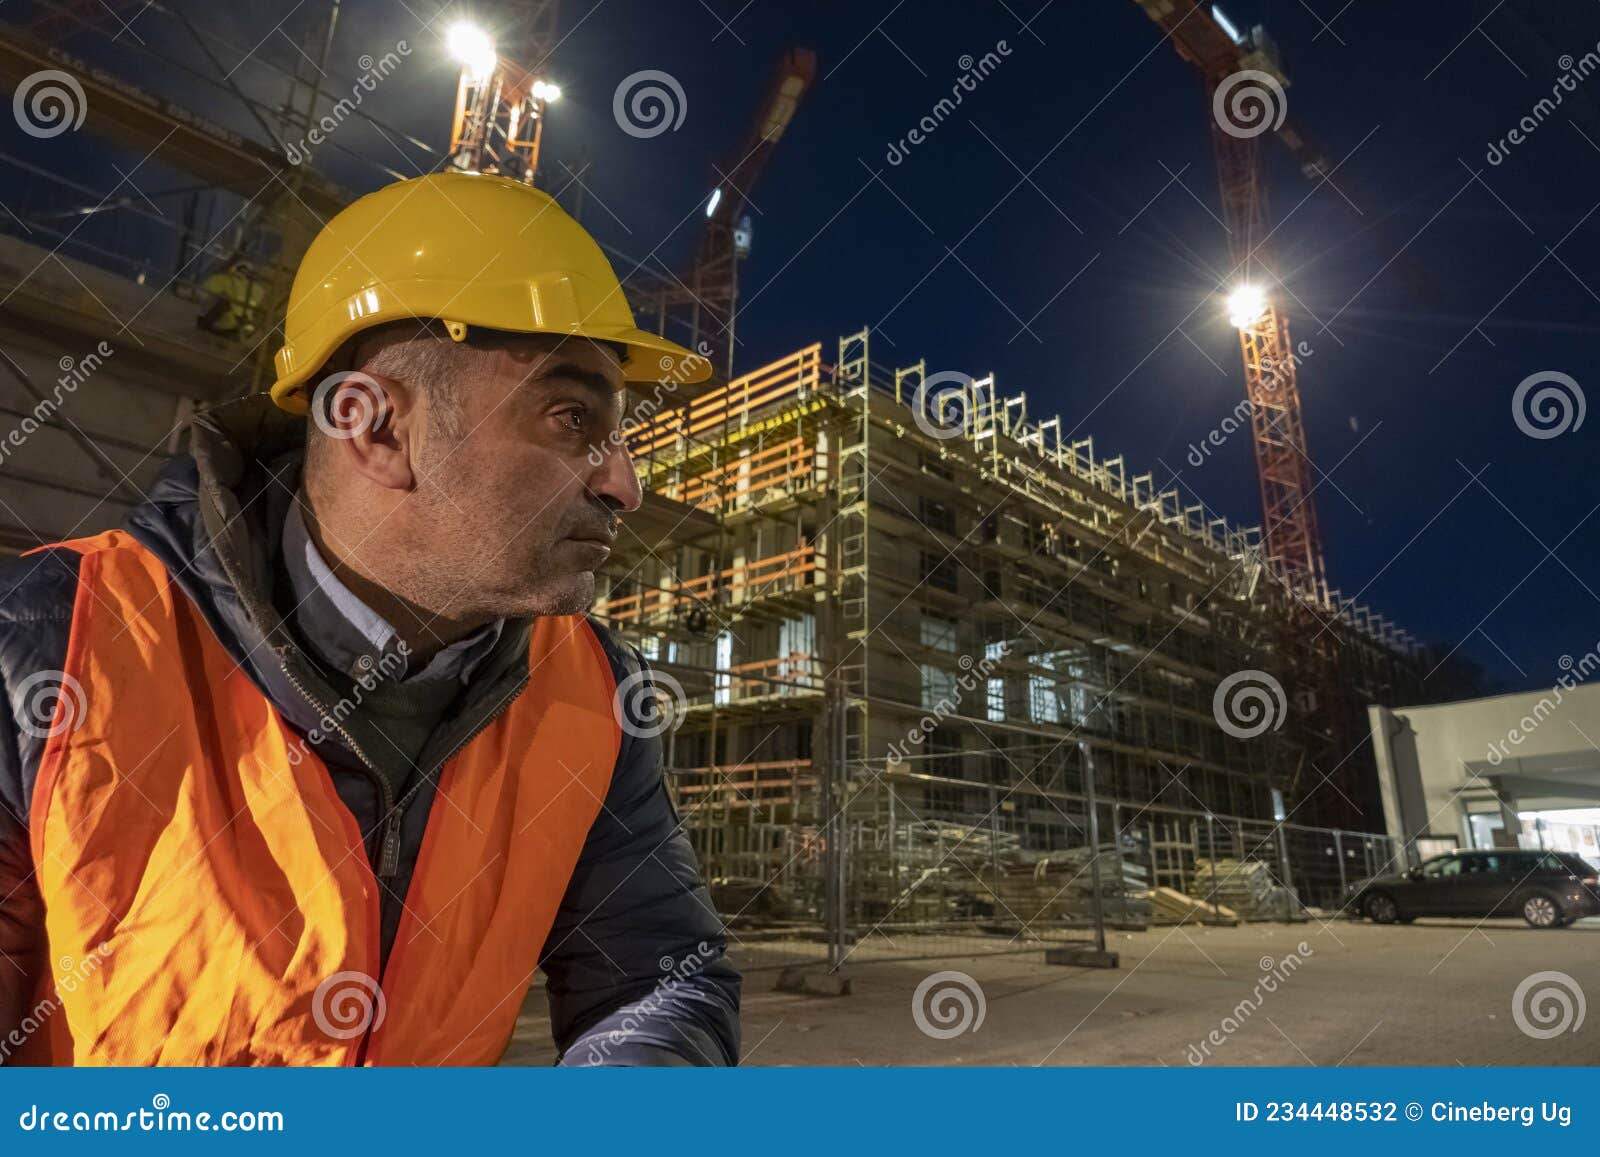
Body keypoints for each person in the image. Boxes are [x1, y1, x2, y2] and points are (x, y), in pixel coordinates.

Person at [0, 172, 740, 1066]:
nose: (625, 484)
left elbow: (657, 975)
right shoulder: (55, 637)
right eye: (571, 416)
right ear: (374, 427)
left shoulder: (594, 693)